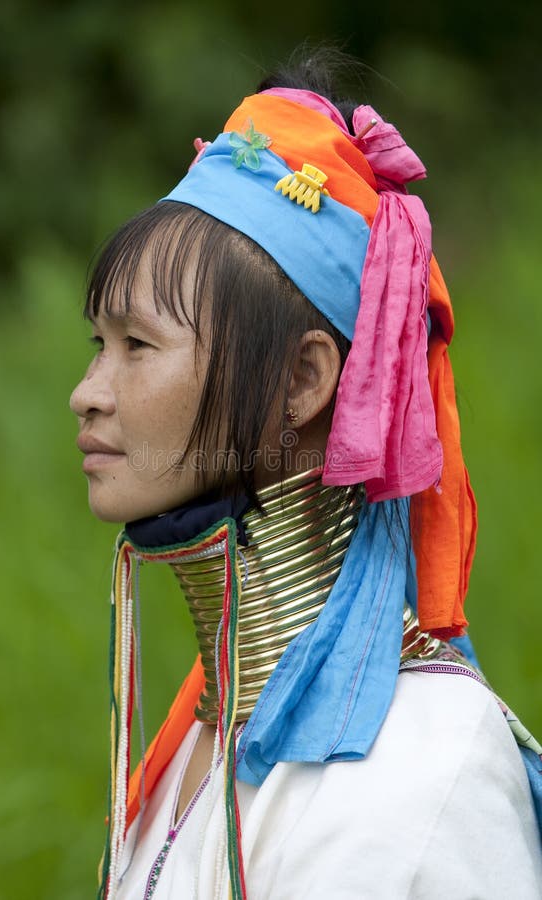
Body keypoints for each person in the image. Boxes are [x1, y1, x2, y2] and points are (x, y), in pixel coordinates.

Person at [70, 52, 542, 899]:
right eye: (97, 345)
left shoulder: (419, 768)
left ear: (303, 379)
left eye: (137, 345)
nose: (87, 393)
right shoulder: (196, 744)